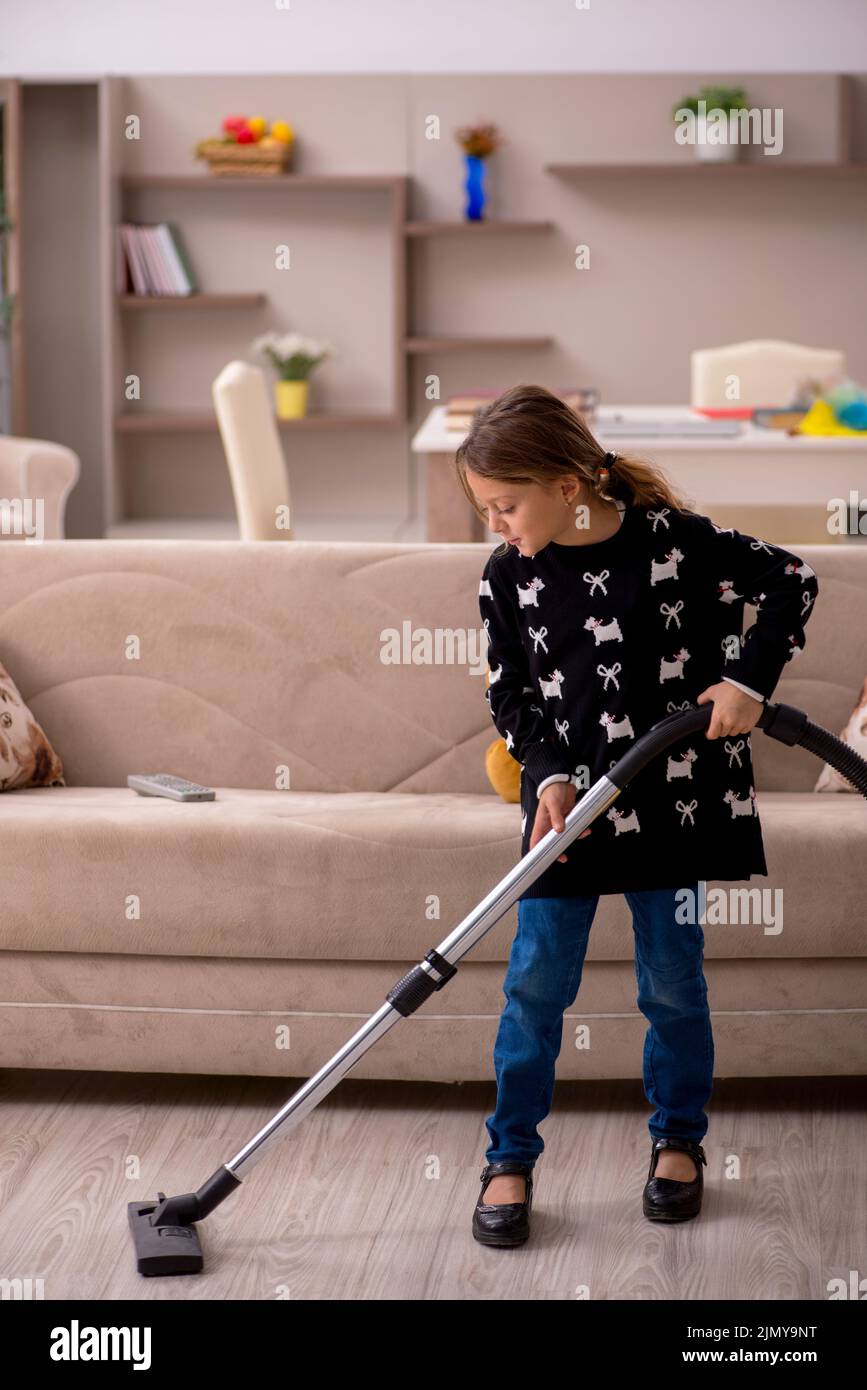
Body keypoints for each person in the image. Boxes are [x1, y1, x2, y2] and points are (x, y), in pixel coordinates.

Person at [458, 384, 819, 1246]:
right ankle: (508, 1158)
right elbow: (508, 692)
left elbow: (792, 580)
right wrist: (542, 777)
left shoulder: (676, 544)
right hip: (565, 815)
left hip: (673, 803)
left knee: (671, 983)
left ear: (565, 481)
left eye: (505, 505)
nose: (497, 525)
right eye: (484, 511)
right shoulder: (507, 574)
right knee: (534, 987)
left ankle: (677, 1143)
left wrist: (746, 682)